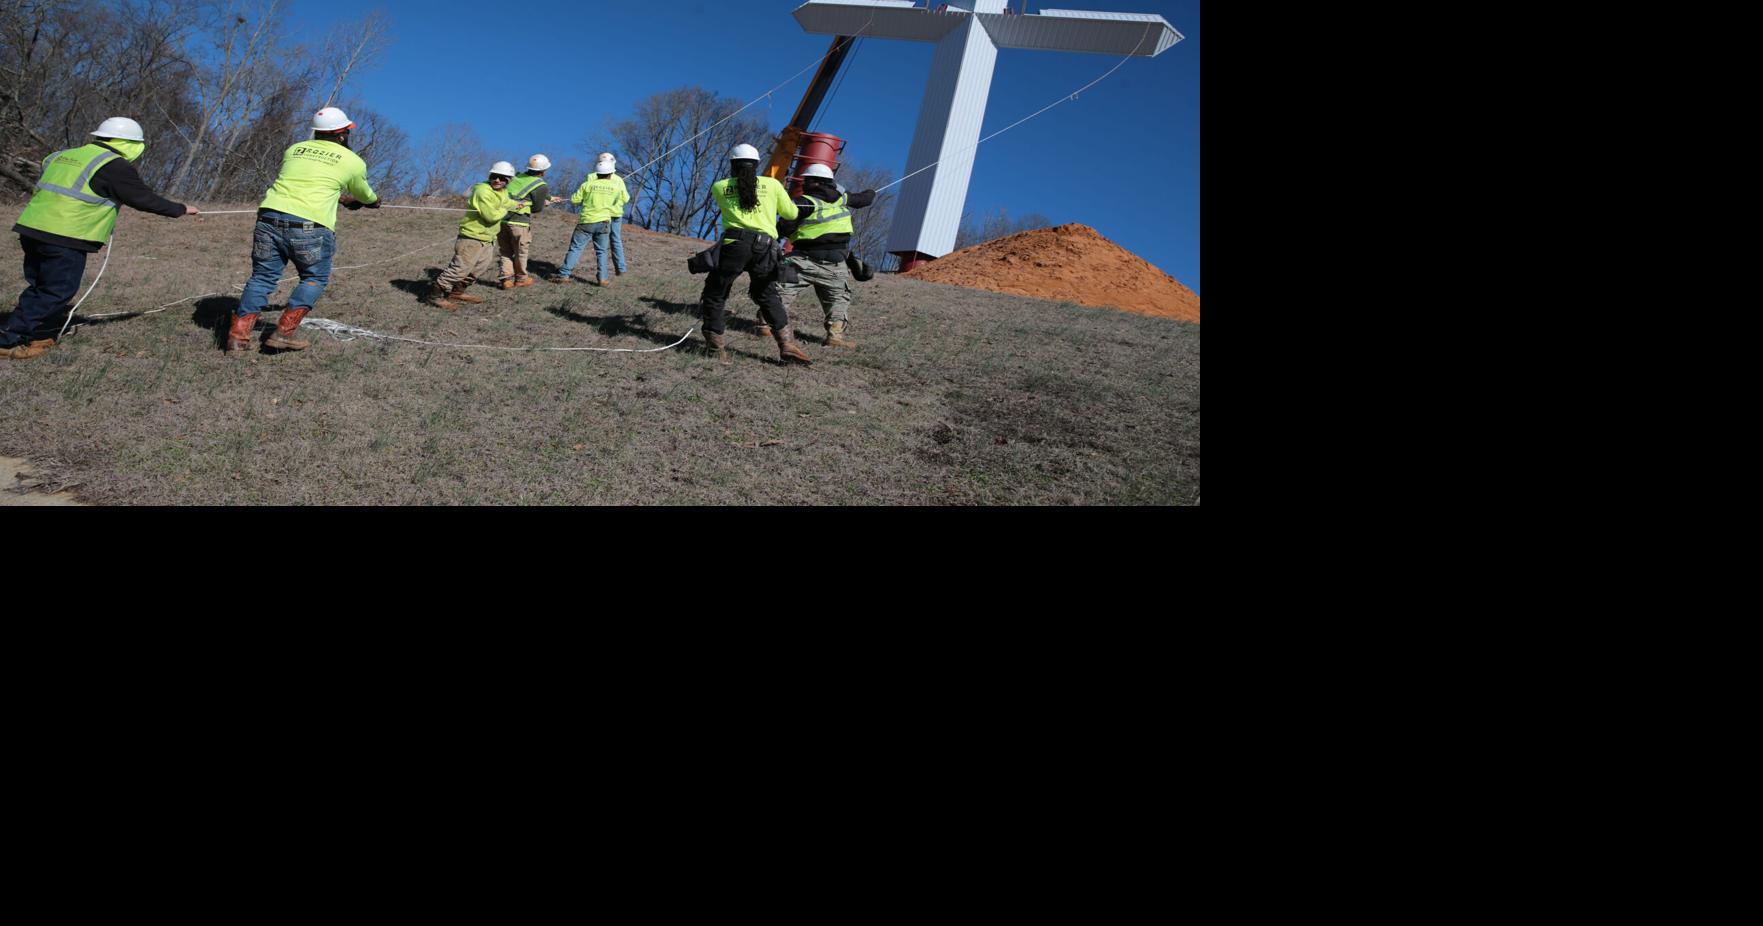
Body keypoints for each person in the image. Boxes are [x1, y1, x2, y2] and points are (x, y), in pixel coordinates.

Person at [4, 117, 196, 360]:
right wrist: (180, 209)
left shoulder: (61, 156)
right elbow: (143, 199)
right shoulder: (114, 166)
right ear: (131, 144)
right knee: (56, 291)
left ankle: (36, 332)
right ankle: (9, 339)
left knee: (40, 287)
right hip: (65, 234)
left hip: (32, 228)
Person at [230, 106, 379, 353]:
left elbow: (305, 182)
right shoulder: (353, 161)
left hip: (269, 218)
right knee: (314, 278)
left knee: (262, 278)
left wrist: (340, 198)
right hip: (310, 225)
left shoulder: (294, 149)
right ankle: (283, 334)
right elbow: (365, 195)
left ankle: (237, 338)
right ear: (342, 134)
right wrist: (373, 202)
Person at [697, 143, 810, 364]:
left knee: (716, 293)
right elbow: (791, 213)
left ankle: (715, 348)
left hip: (734, 246)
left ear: (732, 164)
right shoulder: (773, 185)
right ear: (757, 165)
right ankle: (787, 344)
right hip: (765, 248)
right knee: (767, 294)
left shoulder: (720, 187)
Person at [774, 163, 877, 348]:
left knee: (781, 293)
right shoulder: (842, 198)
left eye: (806, 180)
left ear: (814, 182)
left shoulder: (804, 202)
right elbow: (865, 199)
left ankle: (766, 325)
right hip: (835, 264)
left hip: (802, 261)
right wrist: (872, 191)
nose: (803, 183)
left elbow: (783, 228)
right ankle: (835, 336)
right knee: (838, 300)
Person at [426, 162, 516, 310]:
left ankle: (457, 293)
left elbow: (507, 202)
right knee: (460, 269)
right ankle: (434, 296)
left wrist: (520, 205)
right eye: (494, 176)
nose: (497, 180)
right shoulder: (482, 191)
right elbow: (491, 216)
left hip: (488, 238)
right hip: (472, 237)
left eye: (502, 178)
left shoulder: (503, 192)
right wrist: (506, 209)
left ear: (508, 180)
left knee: (479, 268)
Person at [552, 154, 628, 286]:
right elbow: (625, 199)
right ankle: (603, 279)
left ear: (596, 173)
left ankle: (564, 275)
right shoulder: (616, 186)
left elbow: (575, 199)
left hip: (586, 222)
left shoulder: (587, 184)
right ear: (611, 173)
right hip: (604, 222)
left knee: (576, 248)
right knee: (602, 252)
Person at [497, 154, 562, 290]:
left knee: (505, 251)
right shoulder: (541, 186)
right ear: (543, 171)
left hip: (501, 219)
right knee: (521, 252)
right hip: (519, 222)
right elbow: (536, 208)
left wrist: (550, 197)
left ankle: (506, 280)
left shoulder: (517, 176)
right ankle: (521, 279)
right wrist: (545, 203)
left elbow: (526, 190)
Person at [600, 152, 630, 277]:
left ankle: (603, 273)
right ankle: (621, 269)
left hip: (600, 213)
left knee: (600, 242)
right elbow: (626, 198)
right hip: (615, 213)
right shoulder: (618, 180)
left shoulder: (591, 177)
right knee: (615, 239)